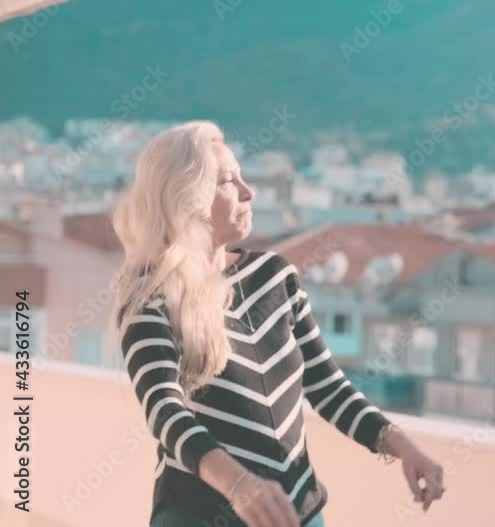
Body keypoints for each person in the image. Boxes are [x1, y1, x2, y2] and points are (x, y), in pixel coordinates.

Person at [110, 121, 445, 527]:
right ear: (187, 198)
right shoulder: (149, 297)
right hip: (196, 515)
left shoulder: (275, 276)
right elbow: (164, 409)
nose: (249, 192)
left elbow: (327, 387)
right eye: (228, 182)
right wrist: (239, 486)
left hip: (298, 512)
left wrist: (403, 446)